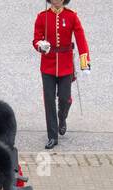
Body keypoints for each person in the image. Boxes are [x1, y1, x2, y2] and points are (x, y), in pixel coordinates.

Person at [33, 0, 90, 149]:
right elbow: (36, 38)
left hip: (65, 65)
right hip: (48, 65)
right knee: (49, 101)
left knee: (65, 98)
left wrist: (85, 62)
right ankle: (52, 136)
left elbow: (80, 39)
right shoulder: (42, 16)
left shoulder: (71, 16)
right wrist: (40, 45)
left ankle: (62, 117)